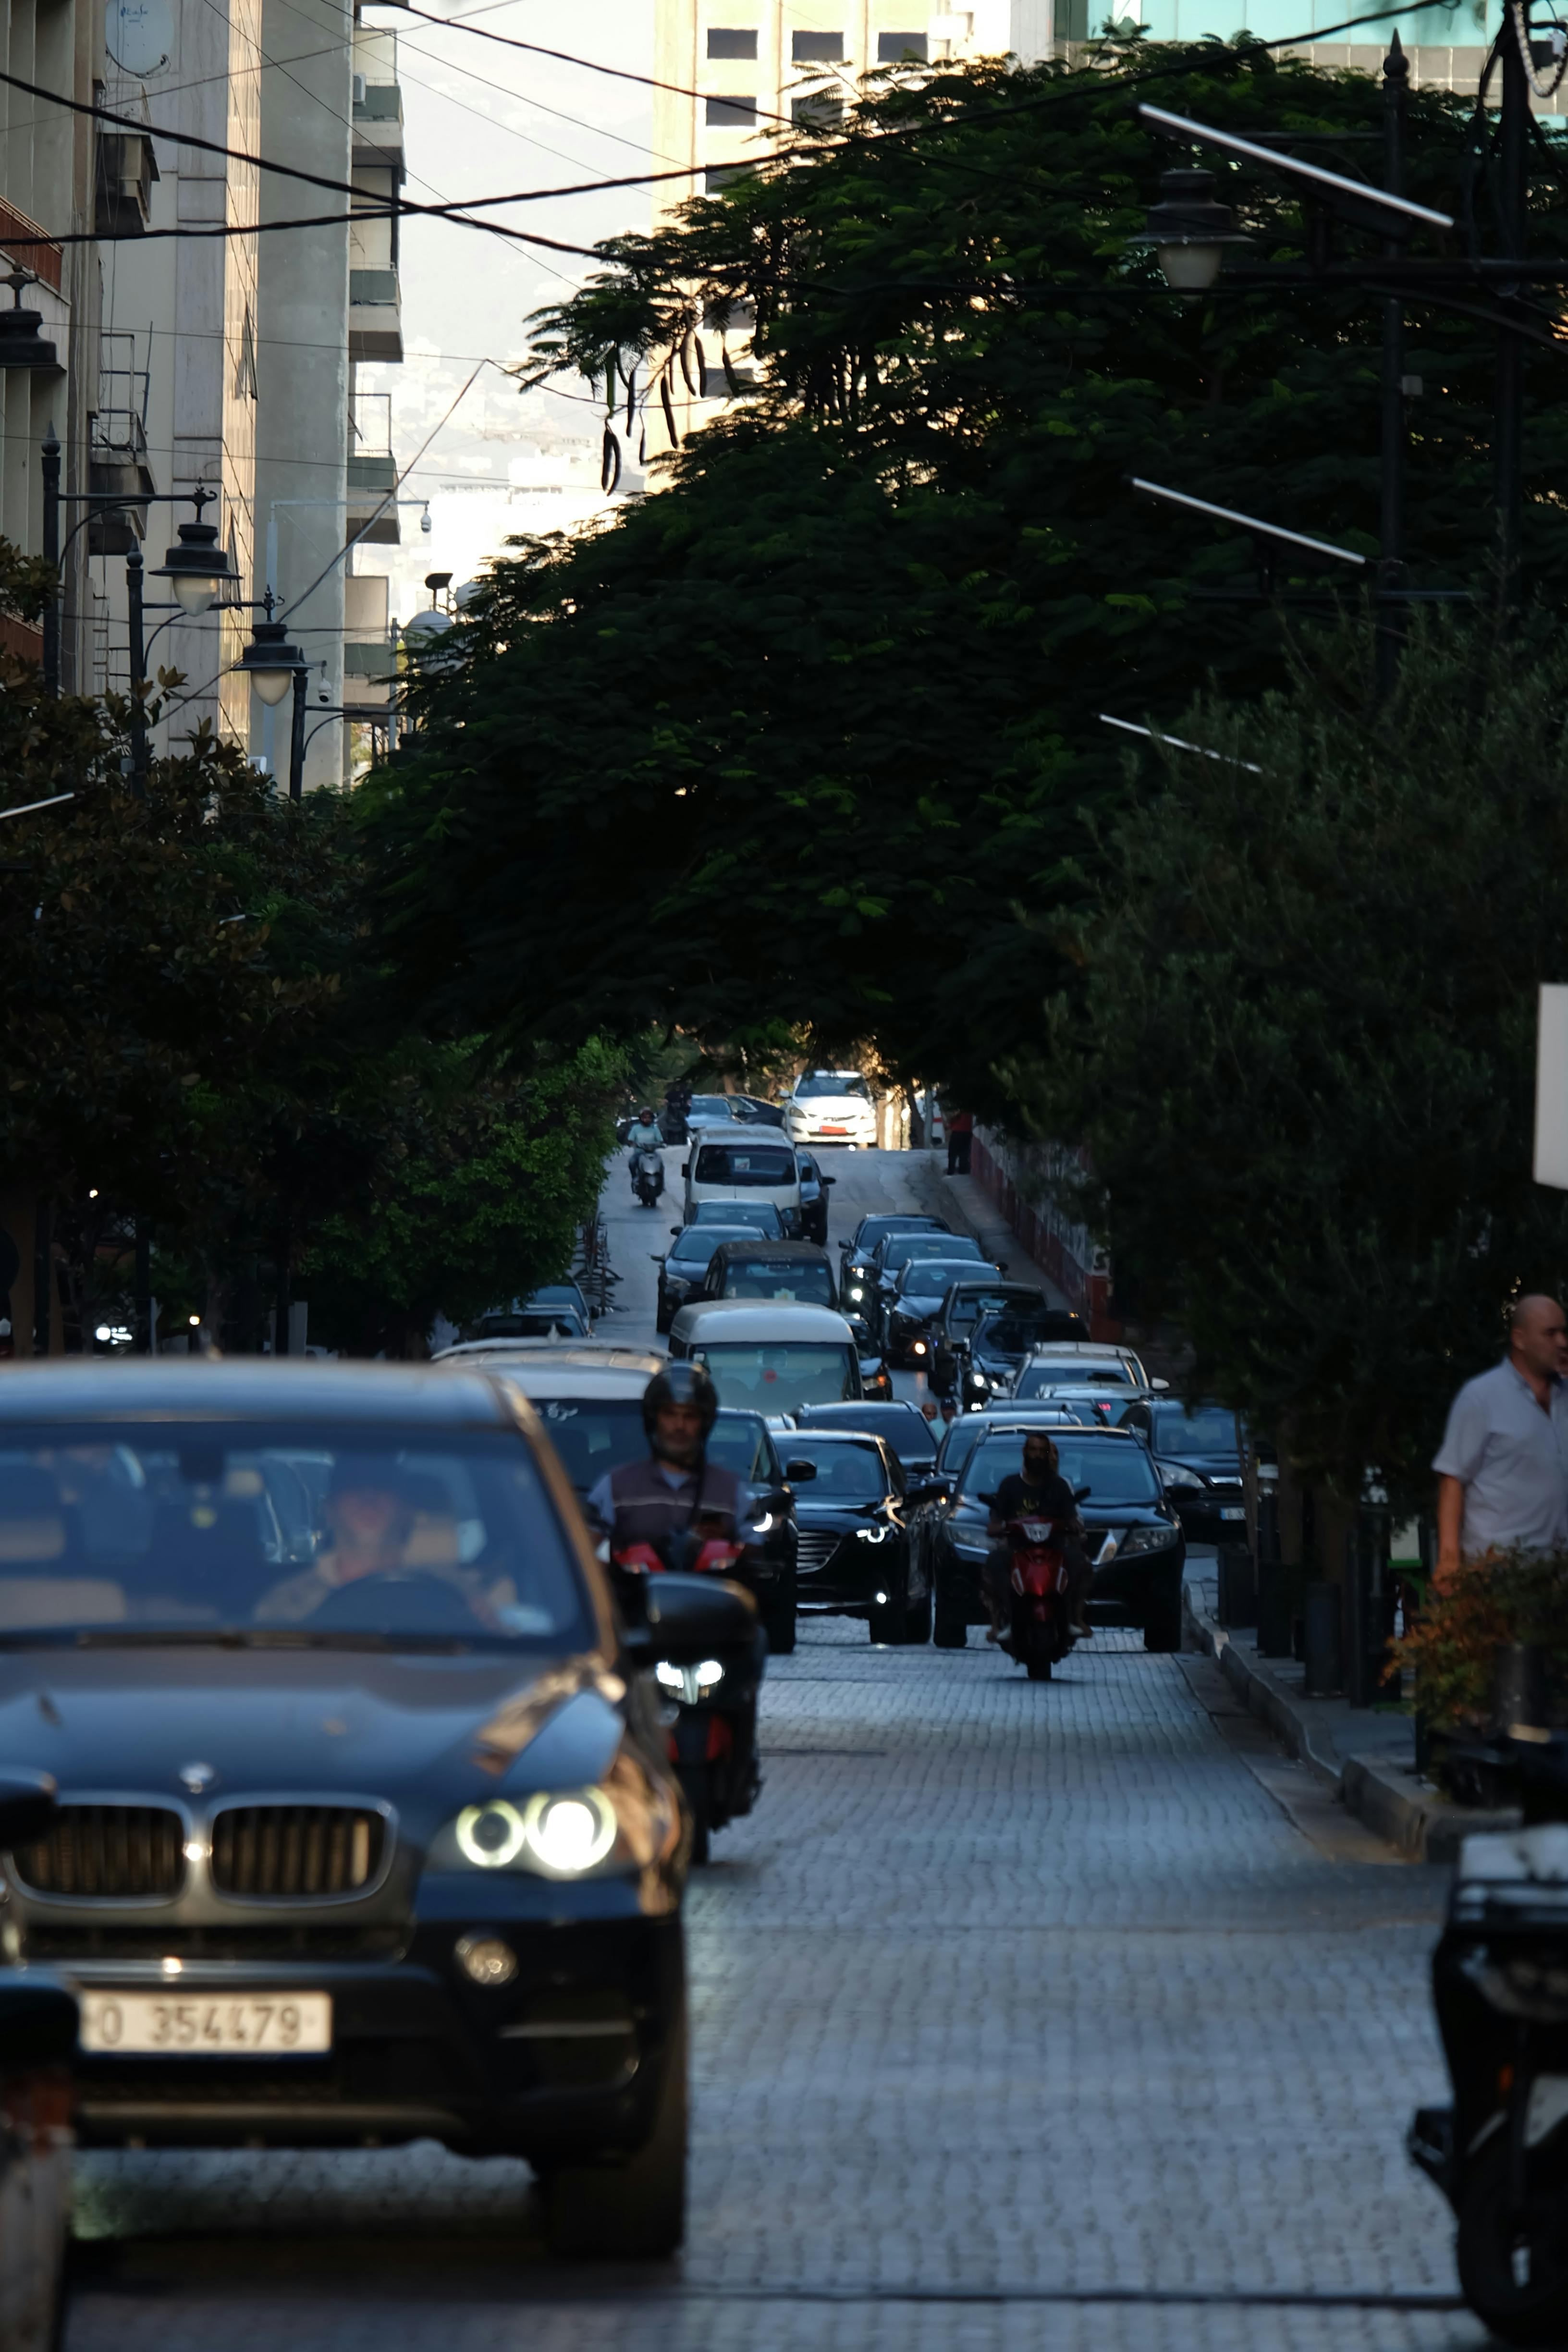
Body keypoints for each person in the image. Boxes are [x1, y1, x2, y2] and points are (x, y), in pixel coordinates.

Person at [257, 1456, 513, 1625]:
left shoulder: (458, 1594)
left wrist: (485, 1626)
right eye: (353, 1487)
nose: (368, 1499)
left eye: (383, 1487)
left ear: (407, 1511)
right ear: (329, 1511)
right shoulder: (288, 1604)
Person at [1432, 1294, 1568, 1580]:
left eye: (1563, 1332)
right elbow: (1453, 1478)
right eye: (1550, 1334)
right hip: (1501, 1574)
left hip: (1558, 1575)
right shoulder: (1482, 1398)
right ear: (1520, 1340)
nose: (1562, 1342)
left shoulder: (1564, 1397)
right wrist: (1449, 1560)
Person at [587, 1361, 751, 1559]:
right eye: (669, 1414)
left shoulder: (731, 1491)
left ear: (704, 1423)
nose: (679, 1426)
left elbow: (756, 1558)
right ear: (653, 1419)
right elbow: (584, 1555)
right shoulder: (615, 1487)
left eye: (690, 1416)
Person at [983, 1430, 1089, 1643]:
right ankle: (1006, 1617)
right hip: (1018, 1550)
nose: (1038, 1455)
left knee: (1080, 1563)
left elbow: (1070, 1515)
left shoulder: (1059, 1487)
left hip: (1054, 1550)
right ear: (1025, 1452)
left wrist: (1074, 1525)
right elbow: (997, 1517)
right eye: (1033, 1450)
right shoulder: (1010, 1485)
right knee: (995, 1563)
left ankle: (1072, 1618)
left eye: (1043, 1451)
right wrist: (998, 1526)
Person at [625, 1105, 664, 1188]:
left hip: (652, 1153)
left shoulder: (655, 1129)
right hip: (639, 1153)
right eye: (645, 1117)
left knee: (661, 1164)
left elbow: (660, 1140)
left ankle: (662, 1183)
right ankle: (635, 1179)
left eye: (649, 1117)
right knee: (632, 1162)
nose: (647, 1119)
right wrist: (633, 1144)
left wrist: (661, 1144)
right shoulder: (635, 1128)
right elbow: (630, 1140)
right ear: (641, 1118)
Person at [946, 1107, 974, 1176]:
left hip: (956, 1133)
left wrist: (950, 1126)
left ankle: (951, 1171)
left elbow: (952, 1122)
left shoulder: (959, 1112)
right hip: (967, 1133)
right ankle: (963, 1170)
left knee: (953, 1153)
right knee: (964, 1153)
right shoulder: (971, 1113)